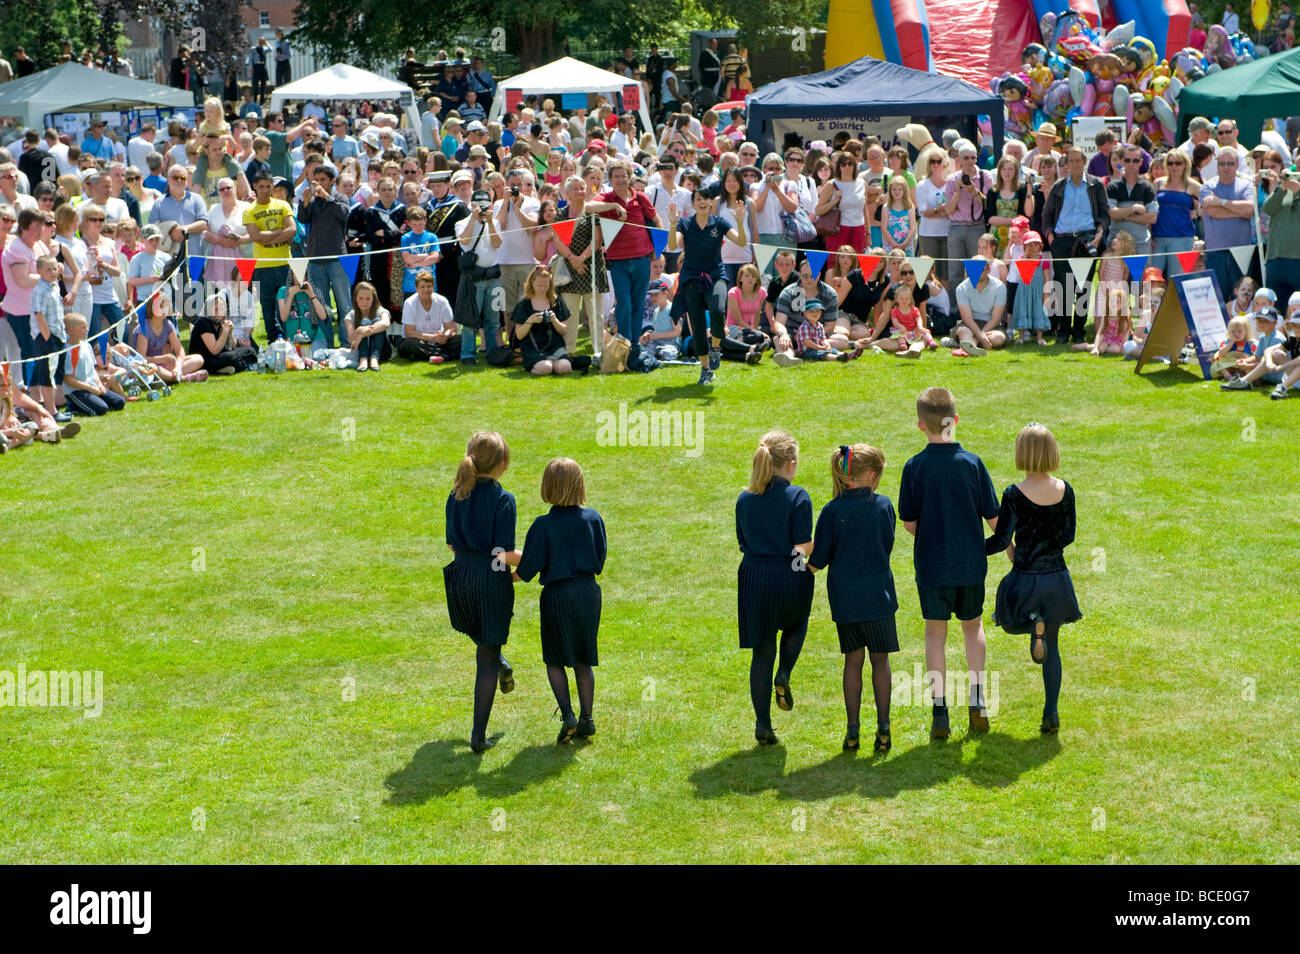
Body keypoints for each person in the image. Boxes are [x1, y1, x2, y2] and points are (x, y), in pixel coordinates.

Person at [898, 387, 1000, 739]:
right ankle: (977, 701)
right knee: (973, 627)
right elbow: (994, 518)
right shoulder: (972, 464)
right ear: (955, 421)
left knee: (934, 633)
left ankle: (940, 712)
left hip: (931, 565)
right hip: (970, 565)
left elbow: (909, 522)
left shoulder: (913, 467)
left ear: (920, 426)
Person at [984, 424, 1081, 735]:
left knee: (1010, 622)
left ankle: (1032, 624)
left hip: (1025, 578)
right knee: (1052, 645)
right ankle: (1051, 711)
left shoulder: (1014, 494)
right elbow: (1068, 535)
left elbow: (1000, 541)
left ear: (1021, 454)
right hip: (1057, 580)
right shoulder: (1066, 489)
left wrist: (973, 550)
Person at [805, 443, 898, 753]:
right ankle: (884, 729)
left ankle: (852, 731)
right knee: (880, 661)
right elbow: (887, 544)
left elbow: (818, 559)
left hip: (844, 599)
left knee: (853, 661)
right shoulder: (883, 506)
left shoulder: (832, 510)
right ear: (871, 475)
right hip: (878, 598)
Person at [515, 458, 607, 744]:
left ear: (547, 487)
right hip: (587, 593)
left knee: (555, 659)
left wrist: (500, 574)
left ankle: (567, 714)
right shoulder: (593, 519)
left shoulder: (542, 526)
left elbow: (526, 570)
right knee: (583, 658)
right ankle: (587, 718)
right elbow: (600, 559)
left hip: (556, 596)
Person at [735, 430, 814, 746]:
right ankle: (784, 673)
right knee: (797, 623)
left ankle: (762, 725)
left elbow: (742, 541)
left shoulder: (744, 498)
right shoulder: (798, 497)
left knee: (761, 650)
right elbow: (801, 546)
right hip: (791, 570)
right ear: (791, 465)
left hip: (754, 574)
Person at [444, 431, 520, 754]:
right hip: (489, 581)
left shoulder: (455, 494)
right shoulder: (504, 500)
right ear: (503, 465)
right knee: (486, 658)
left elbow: (450, 542)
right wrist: (529, 561)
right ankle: (478, 735)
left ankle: (501, 661)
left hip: (459, 577)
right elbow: (502, 553)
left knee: (479, 638)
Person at [667, 189, 748, 386]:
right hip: (692, 277)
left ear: (711, 202)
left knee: (718, 310)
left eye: (705, 199)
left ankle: (715, 348)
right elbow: (671, 245)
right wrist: (672, 224)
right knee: (698, 325)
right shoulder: (685, 223)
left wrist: (739, 221)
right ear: (693, 203)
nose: (702, 202)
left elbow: (741, 241)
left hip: (715, 275)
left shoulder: (719, 223)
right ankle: (705, 370)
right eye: (698, 199)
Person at [587, 159, 659, 361]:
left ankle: (634, 346)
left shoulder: (641, 197)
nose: (620, 179)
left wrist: (657, 249)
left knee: (638, 304)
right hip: (618, 261)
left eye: (623, 175)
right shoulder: (605, 197)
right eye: (616, 176)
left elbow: (657, 221)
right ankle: (624, 343)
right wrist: (612, 206)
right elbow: (588, 207)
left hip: (642, 259)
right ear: (610, 179)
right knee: (623, 304)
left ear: (629, 177)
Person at [1042, 147, 1110, 344]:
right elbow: (1046, 216)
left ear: (1084, 161)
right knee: (1063, 288)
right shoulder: (1058, 186)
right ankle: (1063, 332)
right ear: (1066, 164)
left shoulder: (1096, 185)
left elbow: (1105, 214)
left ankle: (1079, 331)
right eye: (1070, 161)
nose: (1074, 164)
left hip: (1086, 240)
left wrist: (1099, 234)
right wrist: (1050, 236)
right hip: (1061, 241)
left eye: (1077, 161)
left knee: (1082, 288)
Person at [243, 171, 295, 343]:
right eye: (261, 187)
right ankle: (274, 341)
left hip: (283, 263)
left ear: (272, 186)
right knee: (268, 307)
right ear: (254, 187)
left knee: (287, 303)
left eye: (268, 186)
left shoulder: (282, 205)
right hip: (262, 267)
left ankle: (290, 337)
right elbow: (255, 237)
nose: (265, 190)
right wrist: (280, 231)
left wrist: (270, 237)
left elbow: (292, 230)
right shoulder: (249, 211)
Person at [511, 265, 589, 376]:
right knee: (546, 368)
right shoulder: (523, 305)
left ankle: (556, 364)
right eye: (539, 285)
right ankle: (542, 364)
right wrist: (530, 321)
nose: (543, 289)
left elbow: (564, 331)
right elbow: (519, 335)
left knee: (564, 368)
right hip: (532, 347)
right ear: (532, 283)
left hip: (555, 345)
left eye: (546, 285)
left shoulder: (557, 302)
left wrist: (555, 320)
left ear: (550, 284)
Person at [1200, 147, 1256, 300]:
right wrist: (1238, 210)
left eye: (1230, 164)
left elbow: (1249, 211)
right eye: (1222, 163)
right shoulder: (1208, 187)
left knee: (1242, 299)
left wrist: (1221, 202)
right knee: (1218, 299)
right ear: (1217, 165)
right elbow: (1211, 211)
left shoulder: (1246, 185)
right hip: (1215, 252)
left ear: (1237, 165)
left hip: (1241, 252)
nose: (1226, 167)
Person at [1073, 231, 1133, 355]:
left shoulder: (1126, 259)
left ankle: (1116, 339)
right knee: (1099, 313)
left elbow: (1125, 274)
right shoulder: (1106, 255)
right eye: (1114, 238)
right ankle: (1098, 339)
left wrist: (1119, 289)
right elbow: (1101, 272)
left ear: (1125, 244)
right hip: (1104, 288)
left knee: (1117, 313)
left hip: (1118, 290)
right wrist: (1104, 287)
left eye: (1118, 239)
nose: (1114, 241)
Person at [944, 142, 993, 287]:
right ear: (959, 160)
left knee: (978, 270)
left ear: (977, 159)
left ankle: (978, 305)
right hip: (956, 227)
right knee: (955, 271)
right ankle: (954, 309)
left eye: (973, 157)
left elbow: (990, 205)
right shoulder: (953, 179)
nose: (970, 161)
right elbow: (949, 211)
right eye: (966, 158)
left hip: (977, 227)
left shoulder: (985, 176)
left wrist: (975, 192)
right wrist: (958, 192)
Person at [61, 313, 127, 415]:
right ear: (71, 331)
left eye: (86, 327)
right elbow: (67, 379)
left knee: (119, 402)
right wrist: (89, 388)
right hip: (76, 390)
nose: (87, 330)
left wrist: (99, 384)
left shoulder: (86, 346)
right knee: (101, 409)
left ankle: (85, 404)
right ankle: (74, 407)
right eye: (83, 327)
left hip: (92, 386)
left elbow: (92, 370)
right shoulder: (67, 350)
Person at [134, 293, 207, 383]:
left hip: (166, 366)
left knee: (199, 358)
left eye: (166, 306)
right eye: (161, 306)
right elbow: (140, 358)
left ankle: (172, 376)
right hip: (150, 366)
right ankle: (183, 378)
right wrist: (161, 359)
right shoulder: (143, 328)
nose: (165, 309)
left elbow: (179, 350)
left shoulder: (168, 324)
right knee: (153, 368)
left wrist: (178, 367)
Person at [1151, 150, 1200, 277]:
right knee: (1152, 278)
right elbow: (1149, 209)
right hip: (1157, 238)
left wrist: (1197, 211)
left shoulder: (1192, 185)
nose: (1174, 166)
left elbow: (1209, 200)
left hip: (1182, 238)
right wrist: (1149, 234)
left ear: (1185, 165)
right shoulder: (1157, 183)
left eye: (1178, 163)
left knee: (1176, 280)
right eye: (1170, 163)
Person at [189, 290, 258, 374]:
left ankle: (225, 368)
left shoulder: (221, 321)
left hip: (218, 357)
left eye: (222, 309)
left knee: (249, 350)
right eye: (216, 309)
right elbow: (214, 350)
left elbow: (233, 346)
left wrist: (230, 332)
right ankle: (219, 369)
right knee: (232, 356)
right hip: (204, 360)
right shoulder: (203, 323)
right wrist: (224, 333)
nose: (220, 312)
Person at [400, 270, 460, 363]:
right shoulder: (409, 303)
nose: (426, 290)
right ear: (416, 288)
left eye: (429, 286)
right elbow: (409, 332)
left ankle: (431, 355)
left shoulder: (442, 301)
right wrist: (432, 337)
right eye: (422, 287)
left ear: (433, 287)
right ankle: (444, 355)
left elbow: (452, 328)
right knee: (410, 344)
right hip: (419, 340)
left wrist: (445, 336)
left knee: (460, 340)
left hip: (438, 341)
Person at [1261, 164, 1300, 306]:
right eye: (1297, 167)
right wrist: (1282, 188)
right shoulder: (1283, 190)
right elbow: (1268, 208)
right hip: (1275, 260)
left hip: (1297, 259)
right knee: (1277, 310)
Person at [344, 281, 390, 372]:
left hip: (382, 351)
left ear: (373, 299)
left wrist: (364, 332)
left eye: (368, 298)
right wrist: (360, 331)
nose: (364, 302)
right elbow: (350, 339)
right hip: (360, 350)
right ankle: (363, 360)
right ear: (356, 300)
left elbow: (385, 323)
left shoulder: (380, 310)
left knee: (377, 321)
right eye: (361, 298)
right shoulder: (351, 315)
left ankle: (374, 360)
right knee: (364, 321)